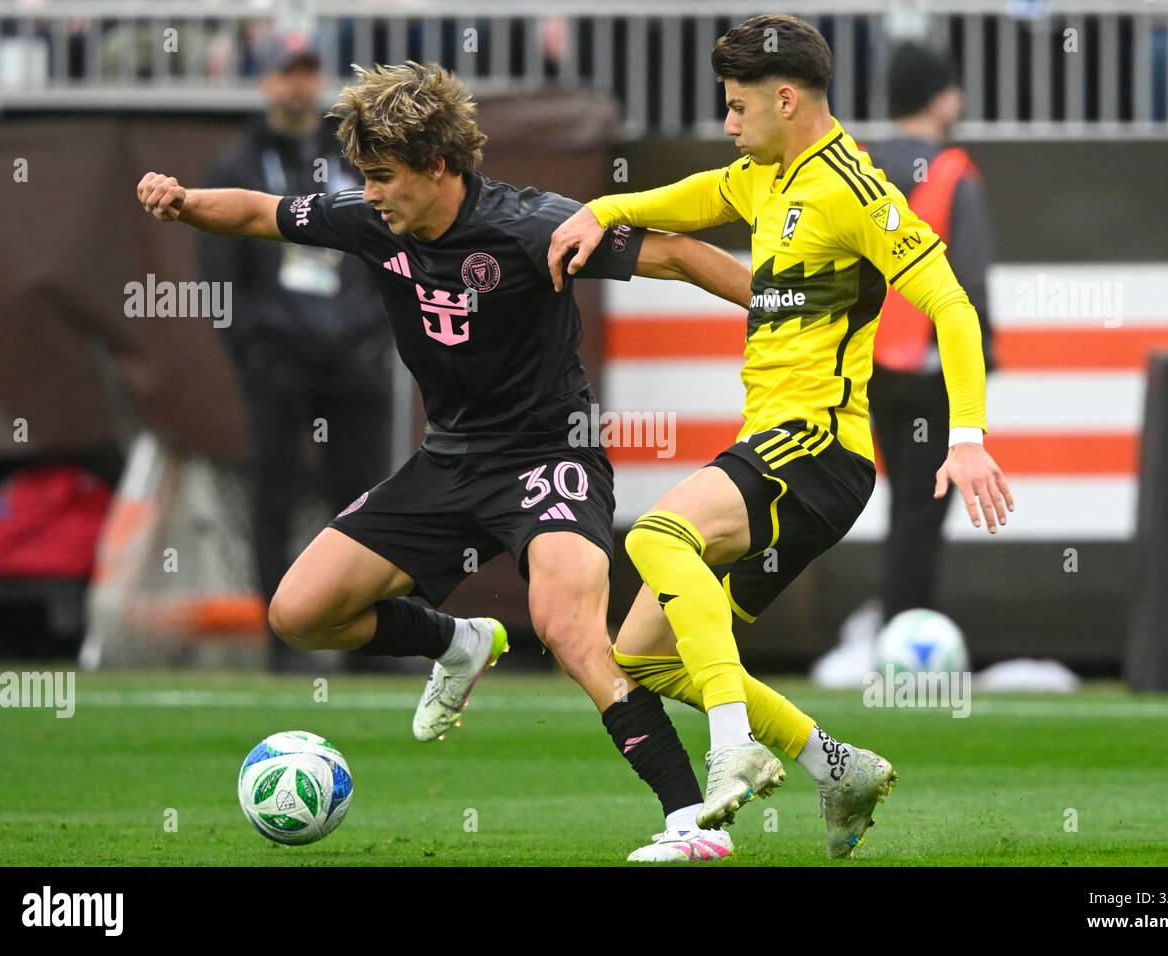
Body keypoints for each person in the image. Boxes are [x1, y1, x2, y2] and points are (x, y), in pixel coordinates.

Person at [138, 61, 753, 862]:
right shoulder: (372, 220)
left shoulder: (533, 225)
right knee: (298, 614)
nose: (372, 193)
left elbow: (674, 255)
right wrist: (184, 204)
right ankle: (457, 642)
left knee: (570, 631)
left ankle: (689, 822)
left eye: (385, 177)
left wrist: (782, 311)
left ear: (438, 167)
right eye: (365, 177)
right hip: (449, 460)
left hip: (546, 460)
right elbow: (259, 213)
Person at [549, 14, 1014, 858]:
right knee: (644, 655)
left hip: (819, 449)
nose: (728, 126)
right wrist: (601, 208)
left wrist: (969, 434)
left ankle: (732, 746)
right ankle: (837, 766)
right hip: (777, 450)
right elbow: (690, 199)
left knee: (657, 534)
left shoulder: (855, 187)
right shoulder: (767, 176)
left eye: (736, 108)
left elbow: (951, 302)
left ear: (786, 98)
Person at [197, 33, 394, 673]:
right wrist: (255, 348)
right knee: (273, 494)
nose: (299, 85)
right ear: (265, 82)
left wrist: (373, 332)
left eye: (308, 71)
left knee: (365, 499)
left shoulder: (354, 155)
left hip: (353, 351)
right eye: (287, 72)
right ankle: (280, 642)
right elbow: (220, 270)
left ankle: (368, 639)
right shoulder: (238, 164)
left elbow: (386, 242)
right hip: (278, 357)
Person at [864, 41, 997, 625]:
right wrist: (983, 358)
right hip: (930, 369)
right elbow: (967, 282)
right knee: (923, 507)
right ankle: (906, 631)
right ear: (941, 98)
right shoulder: (953, 173)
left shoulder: (858, 168)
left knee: (901, 501)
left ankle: (894, 620)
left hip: (869, 367)